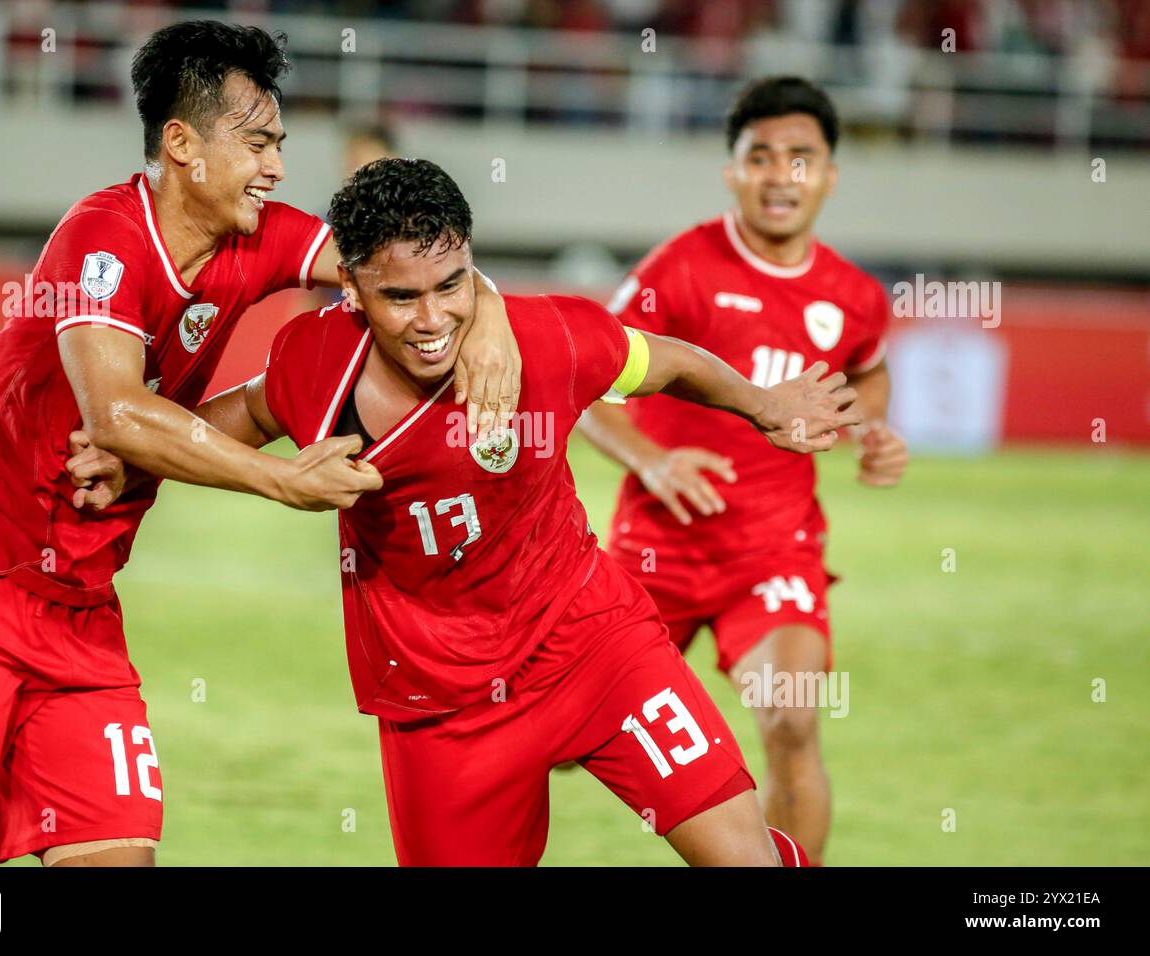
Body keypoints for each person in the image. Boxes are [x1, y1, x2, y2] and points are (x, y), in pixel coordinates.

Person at [70, 158, 861, 865]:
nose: (432, 319)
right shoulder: (314, 361)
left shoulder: (551, 337)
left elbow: (667, 361)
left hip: (588, 643)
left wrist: (763, 405)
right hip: (436, 705)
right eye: (400, 297)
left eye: (453, 286)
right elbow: (244, 413)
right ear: (350, 288)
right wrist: (136, 452)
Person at [0, 22, 518, 868]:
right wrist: (279, 480)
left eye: (278, 142)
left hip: (83, 612)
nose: (277, 166)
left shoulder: (262, 238)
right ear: (182, 144)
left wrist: (491, 313)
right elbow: (115, 414)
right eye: (256, 143)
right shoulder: (100, 238)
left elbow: (411, 262)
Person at [579, 76, 909, 864]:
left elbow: (866, 373)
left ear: (828, 176)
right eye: (759, 156)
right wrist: (651, 460)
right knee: (562, 732)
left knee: (792, 718)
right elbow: (587, 384)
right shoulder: (680, 270)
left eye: (801, 158)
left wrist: (870, 428)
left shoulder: (855, 296)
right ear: (732, 172)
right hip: (658, 546)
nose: (779, 174)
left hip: (774, 552)